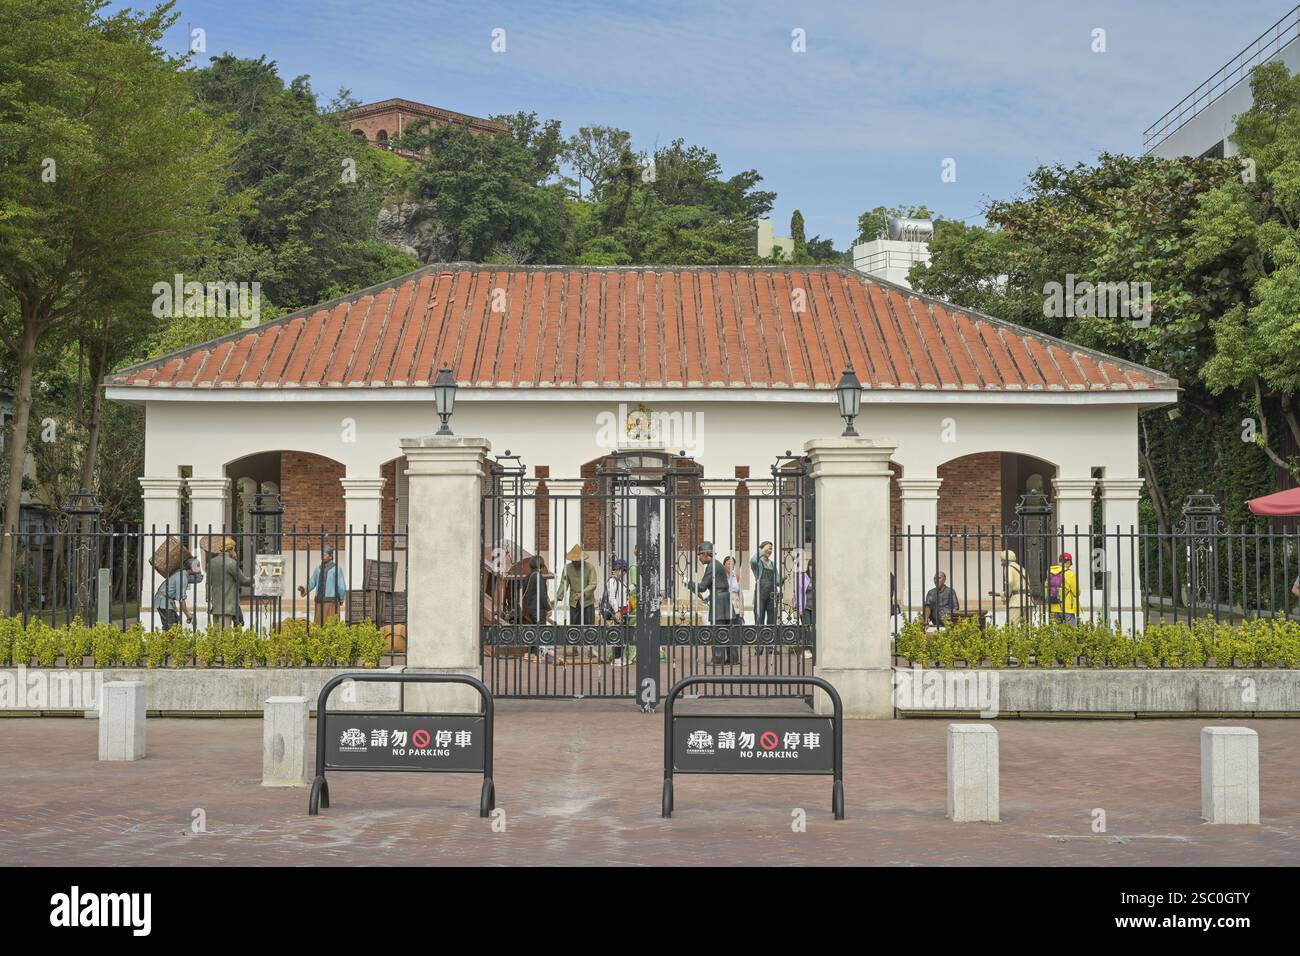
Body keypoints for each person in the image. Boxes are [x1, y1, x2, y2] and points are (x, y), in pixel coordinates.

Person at [686, 542, 736, 663]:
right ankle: (733, 658)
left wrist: (688, 583)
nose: (699, 558)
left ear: (705, 554)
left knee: (718, 630)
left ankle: (718, 659)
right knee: (727, 630)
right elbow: (717, 585)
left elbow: (702, 587)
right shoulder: (717, 564)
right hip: (724, 599)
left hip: (719, 601)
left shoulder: (712, 566)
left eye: (699, 555)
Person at [554, 543, 599, 661]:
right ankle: (574, 648)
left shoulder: (590, 568)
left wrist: (583, 593)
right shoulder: (567, 568)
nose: (575, 562)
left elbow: (593, 584)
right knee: (574, 624)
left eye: (577, 560)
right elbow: (564, 584)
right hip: (574, 601)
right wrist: (558, 597)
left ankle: (590, 649)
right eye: (573, 560)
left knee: (589, 625)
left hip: (587, 600)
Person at [207, 537, 250, 629]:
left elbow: (208, 582)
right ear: (231, 549)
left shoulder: (212, 562)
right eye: (234, 548)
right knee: (225, 635)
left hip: (216, 604)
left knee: (215, 634)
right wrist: (257, 579)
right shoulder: (231, 563)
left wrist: (208, 598)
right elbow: (243, 580)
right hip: (228, 605)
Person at [298, 543, 346, 623]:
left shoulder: (336, 568)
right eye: (322, 555)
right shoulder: (318, 569)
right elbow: (312, 582)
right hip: (319, 602)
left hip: (331, 602)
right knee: (321, 624)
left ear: (331, 556)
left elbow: (342, 587)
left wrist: (341, 599)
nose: (322, 557)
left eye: (325, 555)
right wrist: (304, 589)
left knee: (329, 625)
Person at [153, 555, 203, 630]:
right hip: (163, 602)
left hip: (166, 602)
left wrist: (197, 566)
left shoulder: (184, 574)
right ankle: (166, 641)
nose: (199, 568)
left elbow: (199, 579)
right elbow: (181, 599)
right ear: (191, 568)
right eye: (197, 567)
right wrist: (188, 615)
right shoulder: (182, 578)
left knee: (173, 625)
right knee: (170, 627)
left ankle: (168, 641)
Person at [603, 558, 631, 664]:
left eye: (625, 571)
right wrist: (617, 611)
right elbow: (611, 598)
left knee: (622, 634)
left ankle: (620, 657)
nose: (624, 573)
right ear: (617, 569)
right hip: (618, 610)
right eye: (623, 570)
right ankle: (616, 658)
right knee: (618, 634)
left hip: (623, 610)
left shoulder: (620, 581)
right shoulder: (612, 581)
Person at [993, 549, 1028, 623]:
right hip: (1028, 600)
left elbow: (1010, 582)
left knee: (1011, 628)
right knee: (1027, 629)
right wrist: (1000, 594)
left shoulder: (1009, 567)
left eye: (1002, 560)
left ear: (1005, 559)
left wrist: (1007, 595)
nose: (1001, 563)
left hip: (1016, 602)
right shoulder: (1022, 568)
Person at [749, 541, 779, 627]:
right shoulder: (758, 563)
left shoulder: (773, 564)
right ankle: (759, 639)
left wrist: (781, 580)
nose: (770, 550)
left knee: (772, 620)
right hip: (760, 595)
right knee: (759, 619)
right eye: (768, 548)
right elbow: (752, 560)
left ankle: (771, 639)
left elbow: (777, 581)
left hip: (772, 595)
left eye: (771, 549)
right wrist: (762, 551)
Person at [1046, 551, 1079, 625]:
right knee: (1070, 632)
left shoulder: (1050, 572)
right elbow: (1076, 592)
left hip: (1053, 606)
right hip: (1067, 608)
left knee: (1059, 631)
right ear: (1069, 562)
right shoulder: (1070, 573)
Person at [793, 558, 814, 660]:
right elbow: (798, 593)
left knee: (815, 628)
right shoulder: (803, 577)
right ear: (808, 566)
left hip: (816, 608)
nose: (812, 568)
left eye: (814, 565)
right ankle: (806, 650)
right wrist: (800, 608)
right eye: (810, 565)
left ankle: (815, 650)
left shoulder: (818, 577)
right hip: (806, 607)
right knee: (806, 628)